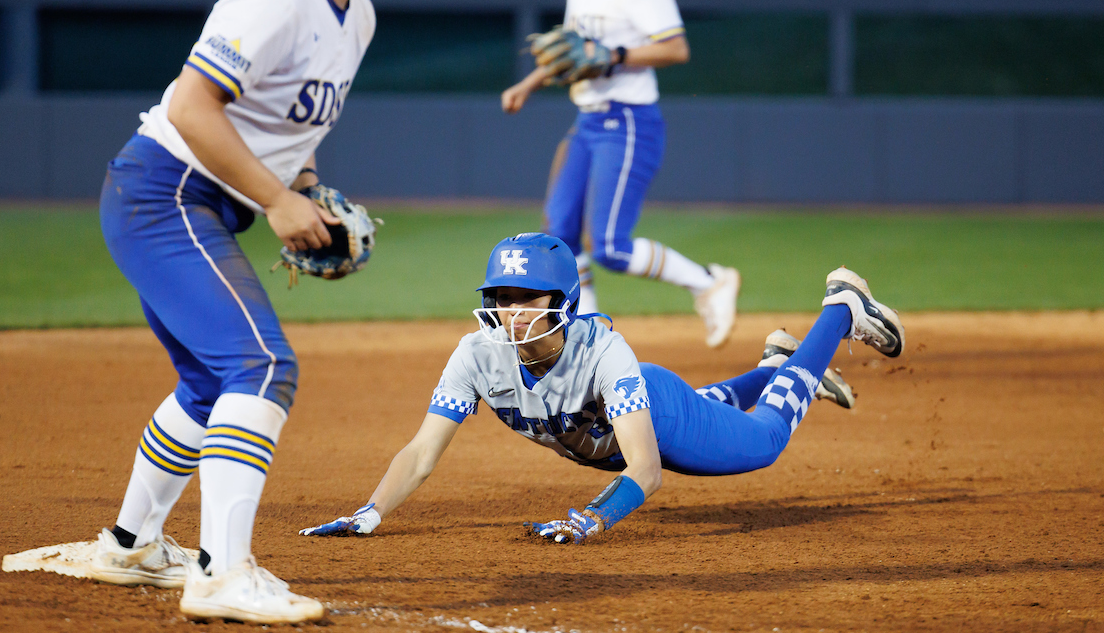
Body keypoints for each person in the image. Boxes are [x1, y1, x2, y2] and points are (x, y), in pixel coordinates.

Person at [85, 0, 413, 625]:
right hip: (164, 192)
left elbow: (284, 123)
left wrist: (303, 188)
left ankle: (130, 545)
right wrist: (275, 200)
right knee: (261, 366)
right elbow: (195, 105)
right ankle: (221, 573)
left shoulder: (357, 13)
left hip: (190, 202)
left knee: (210, 382)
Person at [299, 233, 902, 544]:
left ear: (562, 302)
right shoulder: (476, 356)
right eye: (499, 300)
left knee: (766, 439)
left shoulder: (603, 353)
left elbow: (645, 469)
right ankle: (775, 367)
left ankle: (842, 310)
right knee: (710, 406)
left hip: (656, 420)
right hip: (638, 408)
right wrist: (370, 513)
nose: (508, 313)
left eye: (523, 299)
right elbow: (422, 451)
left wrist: (594, 519)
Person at [500, 0, 741, 349]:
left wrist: (615, 55)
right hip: (587, 120)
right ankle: (588, 337)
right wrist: (528, 84)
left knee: (609, 246)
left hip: (628, 121)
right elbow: (571, 51)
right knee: (560, 238)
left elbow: (676, 48)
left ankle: (708, 282)